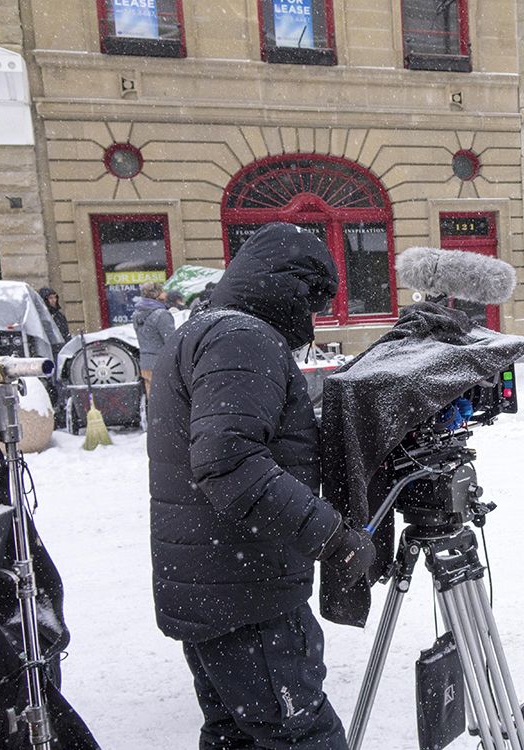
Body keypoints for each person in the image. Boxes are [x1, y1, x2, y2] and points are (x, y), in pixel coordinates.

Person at [147, 222, 374, 749]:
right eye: (313, 302)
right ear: (291, 288)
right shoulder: (243, 338)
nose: (313, 319)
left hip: (214, 590)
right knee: (300, 735)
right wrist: (334, 538)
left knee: (236, 735)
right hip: (248, 594)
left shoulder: (208, 330)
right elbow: (229, 461)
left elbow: (232, 442)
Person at [131, 282, 175, 397]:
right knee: (165, 399)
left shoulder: (136, 314)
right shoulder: (162, 314)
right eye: (163, 291)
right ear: (157, 295)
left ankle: (154, 416)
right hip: (161, 363)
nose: (165, 294)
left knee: (152, 400)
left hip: (145, 363)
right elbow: (172, 341)